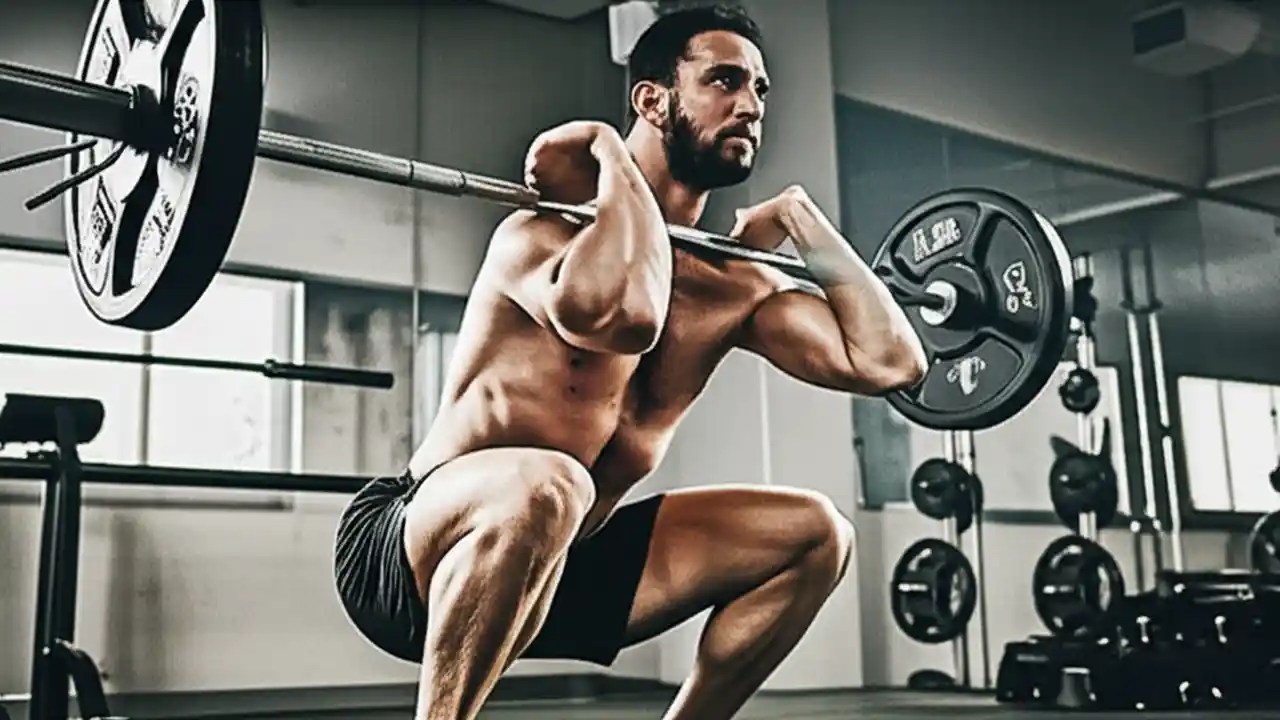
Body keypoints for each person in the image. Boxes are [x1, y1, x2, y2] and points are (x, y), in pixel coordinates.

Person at [333, 5, 927, 719]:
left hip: (568, 560)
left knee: (817, 535)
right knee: (553, 482)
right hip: (413, 555)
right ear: (652, 99)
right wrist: (608, 152)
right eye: (724, 80)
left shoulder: (731, 287)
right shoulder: (544, 232)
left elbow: (892, 362)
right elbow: (627, 317)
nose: (749, 105)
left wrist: (806, 221)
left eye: (760, 91)